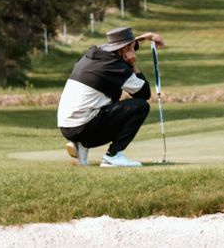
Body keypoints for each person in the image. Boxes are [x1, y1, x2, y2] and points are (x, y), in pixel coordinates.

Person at [57, 26, 165, 167]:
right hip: (84, 126)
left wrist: (145, 37)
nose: (134, 50)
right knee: (140, 107)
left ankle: (81, 146)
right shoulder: (115, 66)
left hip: (67, 126)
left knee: (101, 104)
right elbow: (144, 94)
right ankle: (113, 156)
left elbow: (125, 46)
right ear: (123, 50)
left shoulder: (94, 55)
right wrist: (133, 65)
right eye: (132, 47)